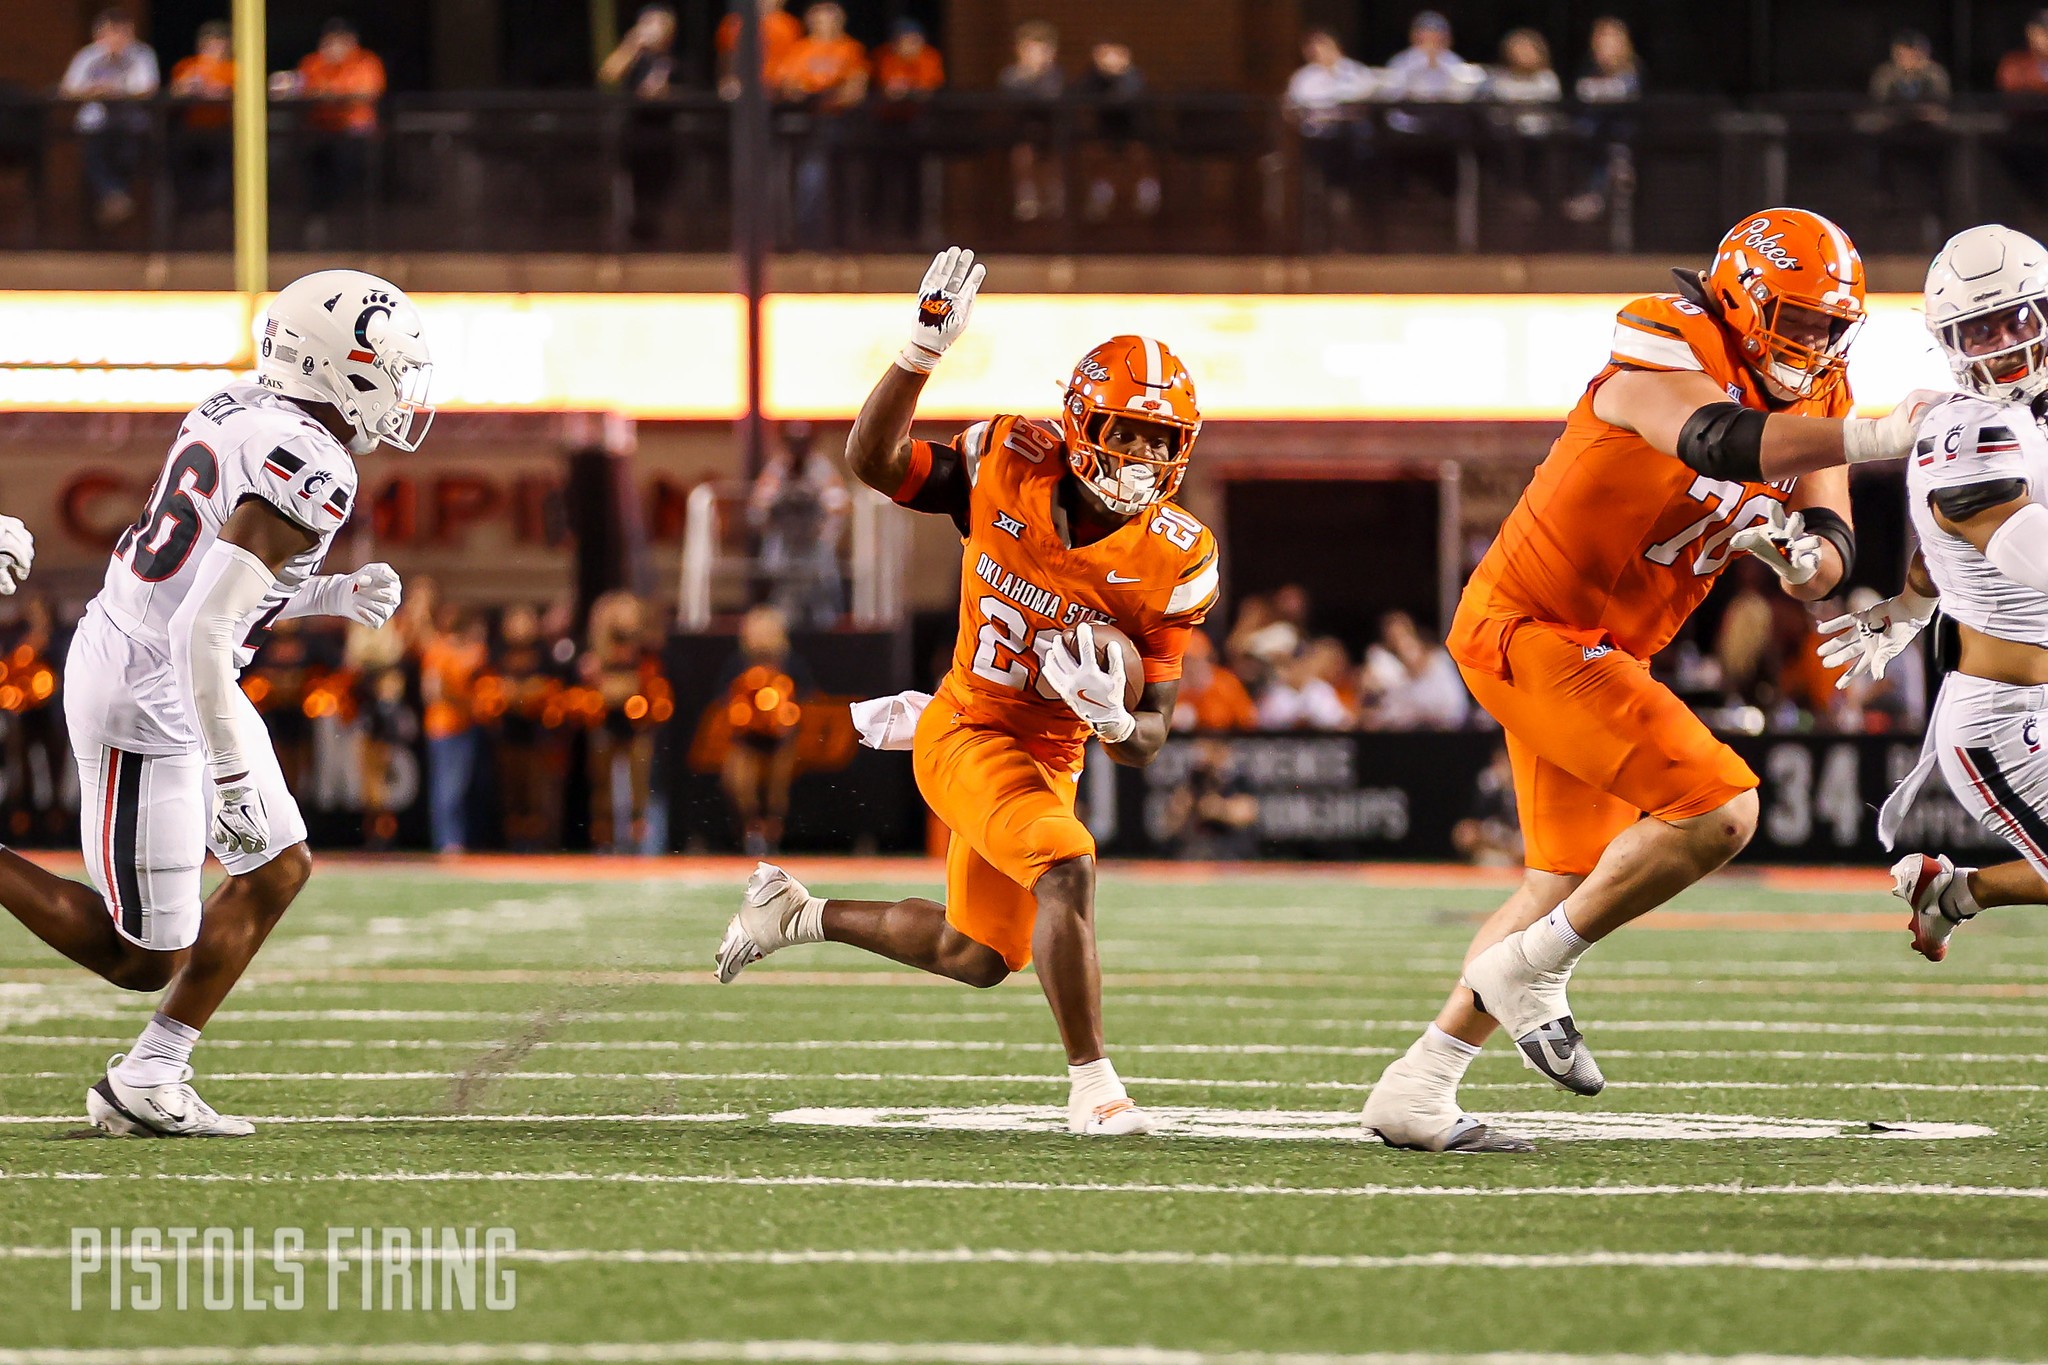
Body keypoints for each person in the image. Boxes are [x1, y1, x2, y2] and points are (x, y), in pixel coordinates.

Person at [1358, 209, 1940, 1154]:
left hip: (1606, 650)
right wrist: (1874, 437)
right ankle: (1533, 973)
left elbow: (1834, 534)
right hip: (1532, 625)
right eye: (1798, 321)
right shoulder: (1665, 334)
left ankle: (1417, 1087)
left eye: (1833, 328)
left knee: (1566, 877)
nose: (1817, 345)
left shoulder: (1822, 381)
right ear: (1744, 301)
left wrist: (1806, 560)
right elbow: (1713, 437)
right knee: (1720, 808)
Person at [715, 248, 1220, 1136]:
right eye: (1124, 430)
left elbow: (1154, 734)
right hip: (969, 731)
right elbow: (874, 461)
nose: (1141, 455)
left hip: (1049, 753)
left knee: (978, 952)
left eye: (1159, 439)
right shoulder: (1007, 461)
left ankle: (795, 914)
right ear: (1077, 423)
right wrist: (918, 353)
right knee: (1068, 865)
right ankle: (1096, 1089)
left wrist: (1112, 718)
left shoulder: (1179, 555)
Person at [0, 269, 428, 1136]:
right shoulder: (314, 461)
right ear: (332, 366)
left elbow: (210, 581)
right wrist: (232, 774)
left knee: (276, 866)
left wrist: (328, 593)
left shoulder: (239, 405)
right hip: (150, 690)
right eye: (385, 364)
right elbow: (202, 626)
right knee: (141, 955)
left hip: (176, 665)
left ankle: (151, 1075)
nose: (401, 386)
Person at [1826, 225, 2048, 962]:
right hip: (2003, 722)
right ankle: (1955, 893)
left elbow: (1939, 547)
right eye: (1977, 329)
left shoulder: (2024, 418)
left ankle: (1951, 892)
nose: (2000, 344)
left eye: (2015, 319)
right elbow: (2020, 549)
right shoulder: (1967, 430)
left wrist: (1915, 604)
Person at [275, 20, 386, 245]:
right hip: (320, 135)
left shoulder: (365, 62)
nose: (334, 47)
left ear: (351, 42)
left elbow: (366, 92)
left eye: (340, 41)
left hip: (355, 136)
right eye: (330, 41)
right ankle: (314, 228)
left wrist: (329, 91)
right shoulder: (314, 62)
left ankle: (357, 233)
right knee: (307, 171)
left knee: (353, 175)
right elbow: (297, 87)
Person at [717, 604, 813, 855]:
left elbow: (806, 698)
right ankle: (751, 829)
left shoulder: (790, 665)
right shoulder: (738, 665)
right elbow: (723, 700)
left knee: (777, 787)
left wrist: (784, 717)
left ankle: (773, 830)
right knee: (740, 783)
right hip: (746, 741)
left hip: (782, 740)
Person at [778, 2, 869, 249]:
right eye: (820, 19)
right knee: (810, 183)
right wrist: (813, 94)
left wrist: (829, 95)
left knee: (846, 187)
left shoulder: (850, 49)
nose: (825, 24)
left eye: (831, 19)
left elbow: (856, 89)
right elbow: (788, 86)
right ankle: (808, 241)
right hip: (808, 128)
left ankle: (844, 243)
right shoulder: (801, 49)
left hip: (843, 125)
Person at [59, 9, 159, 229]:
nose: (117, 39)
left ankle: (114, 202)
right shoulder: (88, 56)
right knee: (93, 156)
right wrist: (93, 91)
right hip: (95, 124)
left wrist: (118, 91)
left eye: (123, 33)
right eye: (112, 32)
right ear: (100, 35)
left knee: (130, 156)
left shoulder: (142, 54)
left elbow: (149, 88)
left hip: (131, 125)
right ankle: (115, 199)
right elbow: (68, 89)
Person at [750, 421, 850, 628]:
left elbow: (841, 506)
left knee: (825, 614)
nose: (798, 449)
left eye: (802, 443)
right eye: (794, 443)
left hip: (816, 554)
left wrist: (820, 514)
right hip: (784, 554)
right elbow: (756, 512)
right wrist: (779, 505)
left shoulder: (822, 468)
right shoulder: (775, 469)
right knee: (782, 614)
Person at [600, 4, 681, 245]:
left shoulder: (674, 62)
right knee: (630, 196)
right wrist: (632, 43)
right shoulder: (635, 58)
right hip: (633, 135)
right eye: (649, 23)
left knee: (659, 196)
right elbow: (608, 74)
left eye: (660, 25)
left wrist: (666, 93)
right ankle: (627, 243)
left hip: (663, 137)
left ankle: (659, 243)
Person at [1284, 30, 1376, 236]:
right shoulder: (1303, 79)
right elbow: (1291, 110)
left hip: (1353, 135)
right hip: (1318, 138)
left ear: (1336, 47)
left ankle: (1352, 201)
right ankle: (1335, 203)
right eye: (1314, 49)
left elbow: (1368, 100)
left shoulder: (1357, 72)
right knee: (1326, 149)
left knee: (1359, 144)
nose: (1320, 52)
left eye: (1325, 46)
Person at [420, 605, 487, 853]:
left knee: (458, 787)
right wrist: (463, 701)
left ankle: (453, 839)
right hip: (444, 726)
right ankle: (447, 841)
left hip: (462, 725)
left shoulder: (469, 651)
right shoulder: (440, 651)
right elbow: (432, 692)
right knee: (447, 787)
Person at [1565, 16, 1642, 223]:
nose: (1606, 47)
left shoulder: (1635, 71)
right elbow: (1581, 97)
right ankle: (1588, 193)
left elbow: (1627, 98)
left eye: (1612, 40)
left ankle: (1598, 191)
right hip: (1586, 144)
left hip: (1624, 143)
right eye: (1601, 41)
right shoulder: (1587, 70)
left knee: (1611, 139)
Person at [1077, 41, 1157, 222]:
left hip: (1133, 133)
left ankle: (1147, 197)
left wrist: (1120, 79)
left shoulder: (1134, 77)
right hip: (1102, 132)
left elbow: (1132, 99)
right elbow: (1087, 100)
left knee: (1140, 154)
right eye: (1105, 55)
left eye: (1116, 54)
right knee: (1094, 154)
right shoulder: (1092, 79)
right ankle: (1101, 196)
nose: (1111, 59)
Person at [999, 21, 1065, 223]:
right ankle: (1027, 199)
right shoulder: (1010, 76)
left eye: (1043, 50)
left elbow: (1052, 100)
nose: (1037, 55)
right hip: (1020, 133)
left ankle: (1054, 198)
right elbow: (1012, 101)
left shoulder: (1055, 75)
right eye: (1031, 49)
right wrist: (1029, 77)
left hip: (1051, 133)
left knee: (1056, 153)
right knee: (1023, 153)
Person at [1360, 610, 1469, 729]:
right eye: (1393, 637)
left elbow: (1455, 709)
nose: (1399, 641)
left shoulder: (1439, 661)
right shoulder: (1382, 662)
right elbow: (1377, 709)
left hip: (1443, 731)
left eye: (1403, 635)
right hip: (1401, 733)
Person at [168, 20, 234, 216]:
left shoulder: (233, 69)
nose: (214, 48)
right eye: (209, 43)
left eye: (219, 43)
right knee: (181, 171)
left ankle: (213, 213)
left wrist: (221, 91)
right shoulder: (188, 66)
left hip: (223, 132)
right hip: (191, 132)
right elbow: (173, 93)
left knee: (222, 179)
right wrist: (187, 87)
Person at [1160, 737, 1259, 860]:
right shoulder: (1193, 781)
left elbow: (1248, 813)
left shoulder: (1236, 779)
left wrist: (1219, 809)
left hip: (1229, 850)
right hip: (1195, 851)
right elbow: (1170, 824)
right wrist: (1181, 808)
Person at [716, 0, 804, 101]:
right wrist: (727, 80)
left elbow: (797, 60)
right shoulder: (733, 23)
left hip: (779, 90)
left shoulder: (790, 25)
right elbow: (726, 58)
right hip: (744, 89)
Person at [1996, 11, 2048, 95]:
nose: (2046, 38)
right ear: (2030, 33)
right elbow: (2010, 83)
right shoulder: (2014, 62)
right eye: (2043, 33)